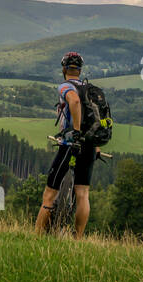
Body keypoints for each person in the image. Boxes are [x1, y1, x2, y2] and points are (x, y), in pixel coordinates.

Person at [35, 51, 97, 238]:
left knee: (49, 194)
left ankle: (36, 237)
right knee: (83, 194)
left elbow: (74, 101)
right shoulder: (90, 90)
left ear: (64, 69)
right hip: (90, 145)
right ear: (80, 70)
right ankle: (77, 239)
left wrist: (76, 132)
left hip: (71, 142)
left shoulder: (65, 86)